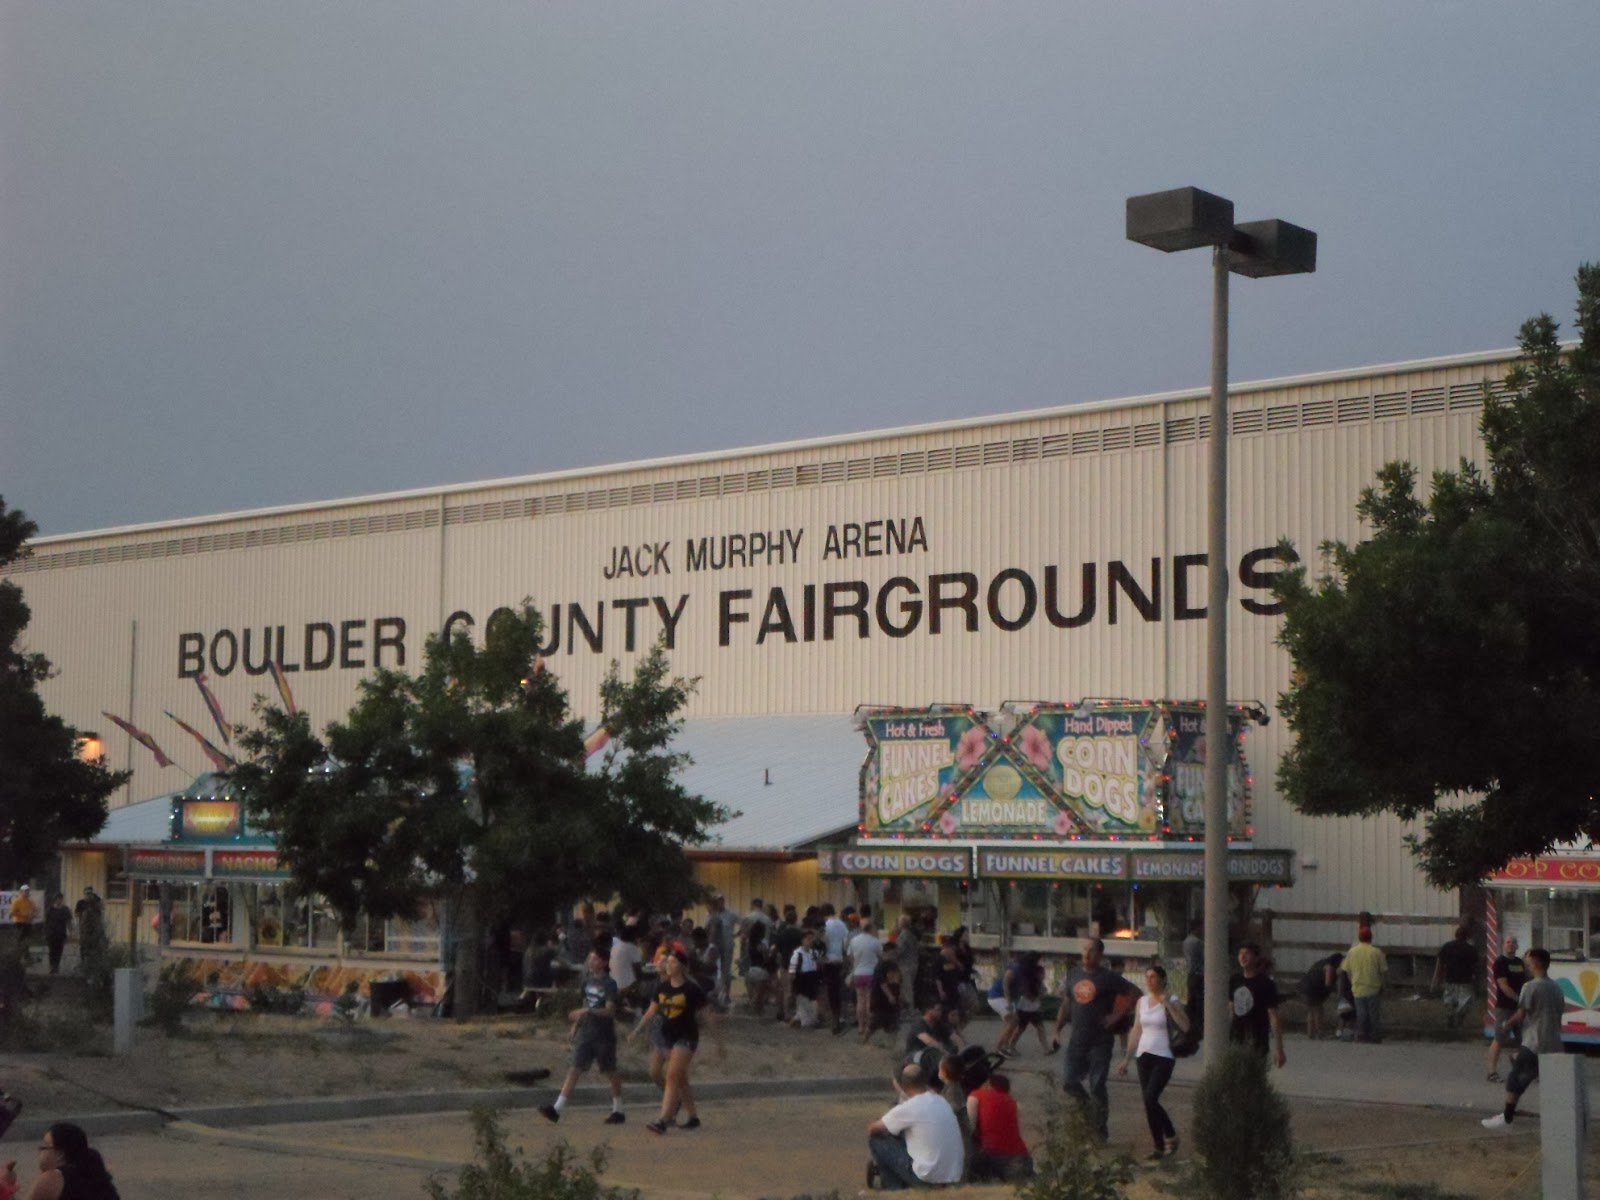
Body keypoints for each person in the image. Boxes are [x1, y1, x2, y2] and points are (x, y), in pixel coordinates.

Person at [1051, 936, 1138, 1143]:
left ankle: (1099, 1130)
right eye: (1084, 950)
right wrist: (1057, 1029)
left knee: (1097, 1084)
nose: (1086, 954)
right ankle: (1089, 1110)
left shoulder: (1107, 977)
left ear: (1099, 955)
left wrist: (1116, 1015)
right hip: (1078, 1039)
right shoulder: (1073, 975)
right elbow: (1066, 1004)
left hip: (1100, 1040)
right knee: (1069, 1082)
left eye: (1090, 951)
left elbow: (1134, 993)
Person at [630, 946, 718, 1135]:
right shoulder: (663, 987)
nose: (668, 965)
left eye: (672, 962)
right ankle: (693, 1117)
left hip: (686, 1038)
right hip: (667, 1038)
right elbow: (652, 1011)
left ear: (682, 966)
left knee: (671, 1075)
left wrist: (719, 1042)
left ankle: (663, 1119)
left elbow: (706, 1015)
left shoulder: (691, 989)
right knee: (680, 1078)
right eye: (667, 962)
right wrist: (637, 1030)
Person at [540, 950, 626, 1125]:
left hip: (604, 1035)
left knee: (610, 1071)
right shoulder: (586, 981)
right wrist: (575, 1026)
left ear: (603, 962)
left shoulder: (609, 984)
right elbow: (584, 1005)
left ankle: (618, 1109)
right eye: (590, 958)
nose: (590, 961)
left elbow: (610, 1011)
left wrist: (588, 1011)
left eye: (594, 958)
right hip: (587, 1032)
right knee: (575, 1068)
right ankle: (557, 1108)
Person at [1481, 948, 1564, 1130]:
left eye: (1528, 961)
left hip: (1534, 1041)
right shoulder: (1556, 987)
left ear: (1535, 962)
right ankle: (1560, 1119)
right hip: (1554, 1042)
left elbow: (1521, 1014)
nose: (1525, 964)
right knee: (1537, 1078)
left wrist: (1506, 1024)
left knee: (1515, 1078)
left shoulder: (1530, 987)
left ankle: (1507, 1118)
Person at [1117, 963, 1190, 1159]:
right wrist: (1126, 1059)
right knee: (1148, 1102)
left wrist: (1168, 1005)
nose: (1149, 981)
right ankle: (1158, 1145)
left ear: (1162, 980)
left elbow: (1185, 1025)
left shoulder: (1172, 999)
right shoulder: (1141, 1001)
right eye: (1147, 977)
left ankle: (1171, 1134)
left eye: (1153, 977)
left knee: (1151, 1097)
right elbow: (1136, 1030)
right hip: (1144, 1054)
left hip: (1164, 1054)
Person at [866, 1060, 965, 1190]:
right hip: (952, 1175)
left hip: (927, 1177)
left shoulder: (910, 1107)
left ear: (903, 1085)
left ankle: (893, 1188)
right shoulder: (941, 1101)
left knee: (877, 1140)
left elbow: (873, 1128)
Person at [0, 1121, 121, 1200]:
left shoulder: (53, 1179)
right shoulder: (96, 1177)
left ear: (60, 1154)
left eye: (44, 1147)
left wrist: (6, 1186)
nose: (40, 1152)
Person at [966, 1072, 1033, 1182]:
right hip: (1022, 1157)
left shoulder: (977, 1095)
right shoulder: (1011, 1101)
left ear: (989, 1085)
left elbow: (969, 1127)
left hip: (995, 1156)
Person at [1228, 942, 1286, 1068]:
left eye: (1247, 953)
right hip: (1237, 1035)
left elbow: (1273, 1016)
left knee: (1254, 1073)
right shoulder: (1235, 980)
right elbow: (1231, 1009)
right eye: (1240, 953)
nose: (1243, 957)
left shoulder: (1266, 983)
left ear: (1255, 957)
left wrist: (1279, 1049)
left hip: (1257, 1037)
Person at [1486, 935, 1526, 1083]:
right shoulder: (1500, 963)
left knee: (1524, 1039)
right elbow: (1503, 985)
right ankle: (1491, 1072)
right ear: (1503, 945)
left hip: (1520, 1008)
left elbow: (1526, 981)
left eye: (1513, 942)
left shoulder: (1520, 963)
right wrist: (1518, 999)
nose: (1510, 945)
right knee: (1500, 1038)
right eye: (1508, 942)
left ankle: (1519, 1063)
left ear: (1517, 946)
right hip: (1504, 1007)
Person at [1343, 924, 1387, 1043]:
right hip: (1373, 988)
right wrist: (1383, 986)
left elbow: (1347, 970)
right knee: (1374, 1015)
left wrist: (1353, 982)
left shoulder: (1352, 952)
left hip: (1358, 988)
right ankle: (1375, 1036)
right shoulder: (1377, 952)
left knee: (1362, 1014)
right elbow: (1382, 972)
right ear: (1370, 938)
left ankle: (1363, 1035)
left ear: (1359, 937)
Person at [1431, 924, 1477, 1031]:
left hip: (1450, 979)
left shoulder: (1447, 946)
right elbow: (1476, 967)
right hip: (1465, 981)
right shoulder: (1471, 949)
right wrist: (1476, 981)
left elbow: (1440, 963)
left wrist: (1436, 978)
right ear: (1467, 937)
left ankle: (1450, 1019)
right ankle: (1459, 1021)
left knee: (1449, 1001)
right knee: (1464, 1003)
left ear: (1456, 935)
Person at [848, 920, 884, 1038]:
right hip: (871, 973)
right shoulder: (875, 941)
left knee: (860, 1000)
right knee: (869, 1001)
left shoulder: (854, 940)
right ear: (871, 929)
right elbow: (881, 956)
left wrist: (855, 964)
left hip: (858, 973)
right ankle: (868, 1025)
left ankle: (860, 1026)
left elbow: (850, 955)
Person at [1295, 951, 1342, 1040]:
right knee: (1318, 1011)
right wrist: (1335, 987)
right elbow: (1328, 983)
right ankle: (1319, 1033)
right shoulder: (1329, 967)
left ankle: (1310, 1034)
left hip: (1304, 987)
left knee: (1310, 1011)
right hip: (1313, 990)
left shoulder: (1321, 962)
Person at [820, 903, 850, 1033]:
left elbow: (823, 942)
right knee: (838, 990)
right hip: (840, 960)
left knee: (830, 991)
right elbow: (846, 942)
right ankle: (840, 1017)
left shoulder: (825, 926)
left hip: (828, 960)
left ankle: (833, 1019)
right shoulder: (842, 925)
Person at [788, 926, 824, 1028]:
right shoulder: (797, 955)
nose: (810, 941)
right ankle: (804, 1022)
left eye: (812, 939)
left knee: (810, 1005)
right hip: (801, 982)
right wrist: (792, 987)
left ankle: (797, 1020)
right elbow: (792, 972)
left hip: (811, 981)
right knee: (804, 1006)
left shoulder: (814, 953)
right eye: (808, 939)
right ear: (802, 940)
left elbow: (818, 966)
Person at [1182, 920, 1204, 1031]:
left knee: (1191, 999)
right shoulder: (1198, 942)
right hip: (1199, 974)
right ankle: (1199, 1024)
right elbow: (1204, 958)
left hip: (1190, 974)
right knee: (1200, 1000)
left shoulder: (1186, 941)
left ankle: (1190, 1022)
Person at [41, 895, 71, 976]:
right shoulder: (50, 909)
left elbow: (68, 921)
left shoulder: (65, 909)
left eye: (60, 899)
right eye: (57, 899)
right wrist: (44, 932)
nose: (59, 901)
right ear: (55, 900)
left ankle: (56, 966)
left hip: (61, 933)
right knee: (52, 950)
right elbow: (46, 922)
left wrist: (70, 931)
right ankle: (52, 966)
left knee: (59, 950)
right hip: (51, 933)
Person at [8, 887, 36, 955]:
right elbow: (11, 913)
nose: (27, 892)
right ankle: (18, 955)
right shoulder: (17, 901)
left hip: (27, 923)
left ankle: (26, 955)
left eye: (28, 891)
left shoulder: (30, 902)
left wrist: (32, 915)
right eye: (25, 891)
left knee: (27, 940)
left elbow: (34, 910)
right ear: (21, 892)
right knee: (19, 939)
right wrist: (23, 914)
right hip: (19, 923)